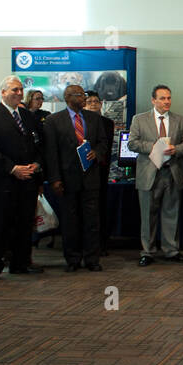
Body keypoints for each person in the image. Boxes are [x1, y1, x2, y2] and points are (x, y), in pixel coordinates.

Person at [0, 76, 45, 283]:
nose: (18, 93)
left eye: (20, 90)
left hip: (28, 181)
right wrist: (13, 169)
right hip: (2, 182)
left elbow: (40, 143)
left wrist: (37, 164)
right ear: (3, 92)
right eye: (14, 90)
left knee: (24, 224)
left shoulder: (28, 116)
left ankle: (20, 263)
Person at [44, 84, 110, 272]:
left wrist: (97, 152)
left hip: (90, 178)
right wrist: (55, 179)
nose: (84, 98)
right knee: (70, 221)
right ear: (68, 97)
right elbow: (51, 153)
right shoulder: (53, 121)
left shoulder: (93, 119)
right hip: (66, 179)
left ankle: (92, 258)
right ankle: (72, 259)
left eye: (83, 95)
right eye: (80, 95)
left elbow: (103, 142)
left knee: (92, 220)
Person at [128, 85, 183, 266]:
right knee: (148, 215)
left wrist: (176, 149)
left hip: (172, 172)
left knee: (171, 214)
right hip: (149, 173)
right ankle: (147, 252)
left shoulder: (180, 120)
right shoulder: (139, 119)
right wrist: (155, 147)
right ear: (153, 100)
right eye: (163, 98)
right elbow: (132, 144)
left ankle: (171, 251)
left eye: (169, 98)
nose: (167, 102)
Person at [85, 90, 114, 256]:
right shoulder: (79, 123)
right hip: (83, 171)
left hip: (101, 171)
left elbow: (105, 147)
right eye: (89, 101)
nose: (93, 104)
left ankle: (102, 244)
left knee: (101, 208)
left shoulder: (107, 123)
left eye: (96, 101)